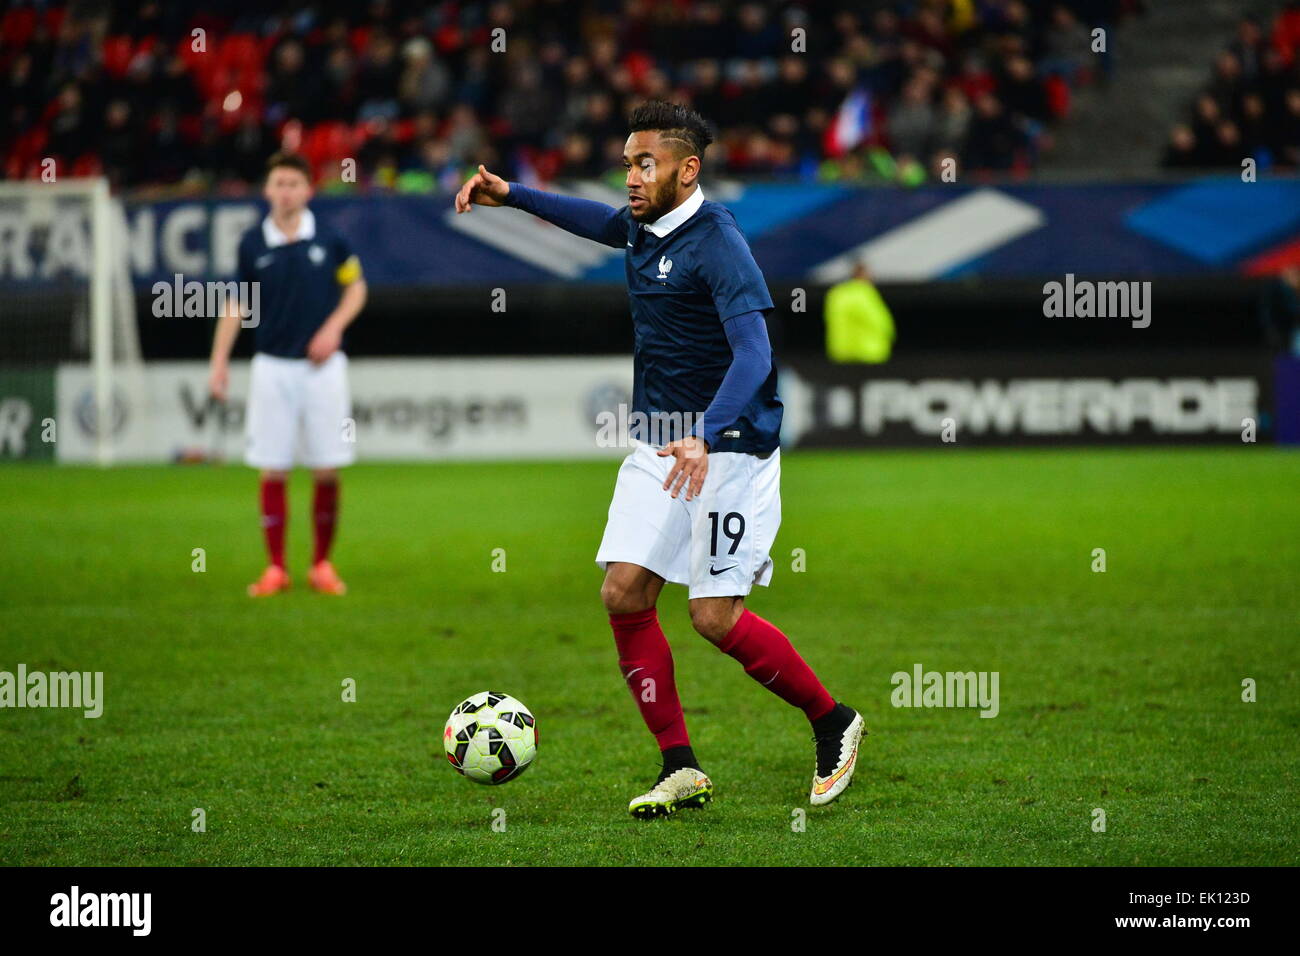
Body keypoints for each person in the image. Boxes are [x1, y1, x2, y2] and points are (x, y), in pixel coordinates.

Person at [455, 101, 863, 818]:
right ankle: (681, 766)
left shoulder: (719, 243)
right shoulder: (642, 227)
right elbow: (593, 220)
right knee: (624, 593)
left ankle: (833, 721)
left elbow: (755, 354)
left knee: (713, 617)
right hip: (660, 441)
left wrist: (707, 431)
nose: (632, 177)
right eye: (627, 164)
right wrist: (510, 194)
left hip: (728, 449)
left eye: (645, 164)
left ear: (687, 168)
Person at [208, 152, 368, 597]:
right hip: (272, 367)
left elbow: (356, 288)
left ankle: (321, 564)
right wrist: (219, 361)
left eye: (294, 184)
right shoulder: (252, 244)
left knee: (326, 470)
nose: (286, 191)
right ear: (267, 190)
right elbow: (236, 305)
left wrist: (333, 329)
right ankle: (276, 567)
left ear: (308, 190)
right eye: (278, 183)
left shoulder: (332, 239)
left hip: (323, 371)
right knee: (272, 469)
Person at [824, 261, 896, 363]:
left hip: (841, 352)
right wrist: (890, 334)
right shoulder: (863, 293)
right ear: (863, 275)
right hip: (867, 352)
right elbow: (877, 320)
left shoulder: (837, 294)